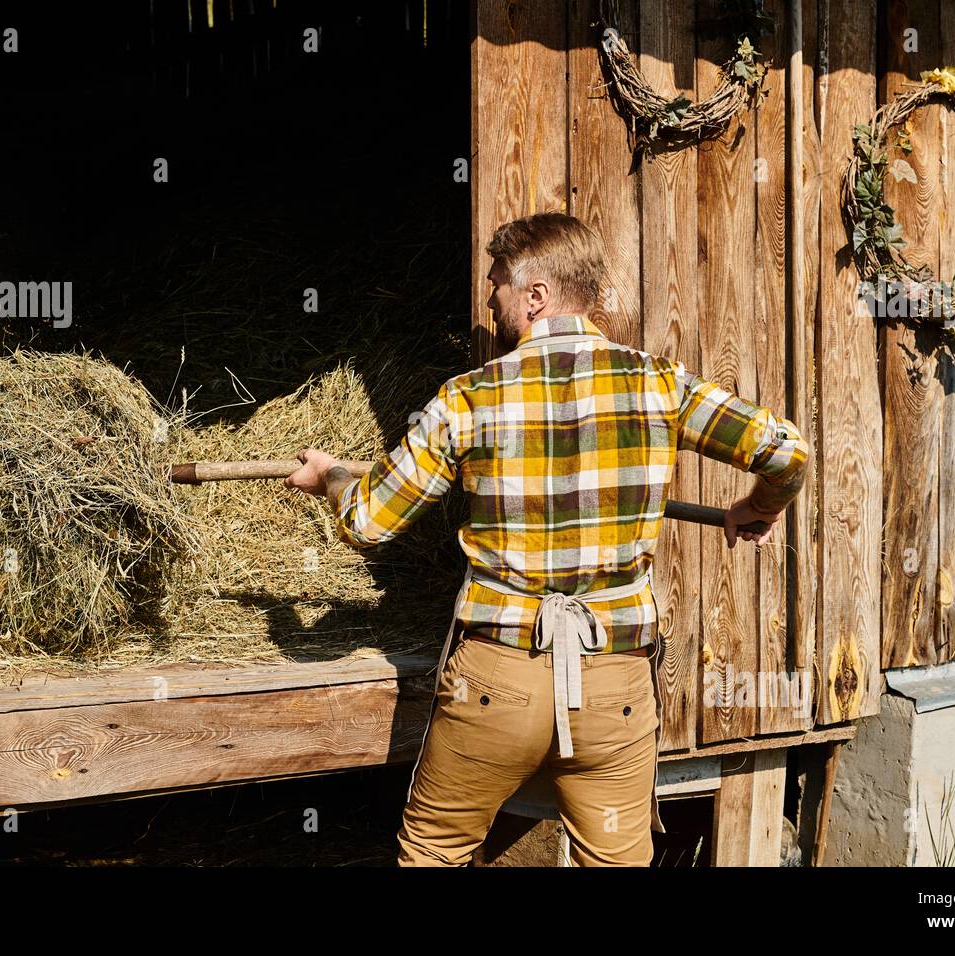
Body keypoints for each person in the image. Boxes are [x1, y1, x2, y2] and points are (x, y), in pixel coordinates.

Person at [284, 211, 810, 866]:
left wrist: (331, 474)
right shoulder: (659, 383)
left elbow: (367, 521)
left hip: (497, 680)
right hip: (615, 686)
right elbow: (787, 452)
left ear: (536, 296)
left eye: (497, 283)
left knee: (433, 853)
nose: (489, 300)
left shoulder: (466, 401)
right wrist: (755, 509)